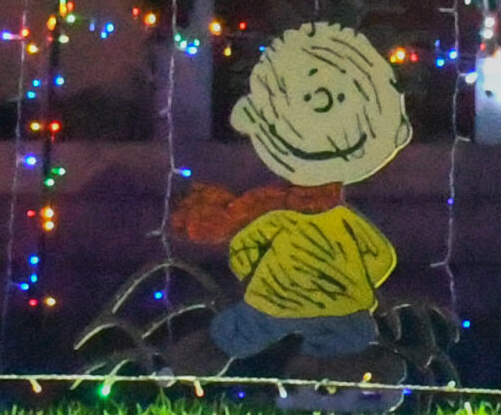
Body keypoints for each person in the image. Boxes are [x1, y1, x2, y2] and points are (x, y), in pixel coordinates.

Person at [176, 21, 414, 380]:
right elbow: (379, 257)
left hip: (277, 298)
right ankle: (218, 356)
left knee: (249, 327)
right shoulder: (323, 220)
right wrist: (355, 282)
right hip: (333, 302)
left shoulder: (283, 217)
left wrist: (262, 278)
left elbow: (245, 249)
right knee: (346, 331)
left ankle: (219, 352)